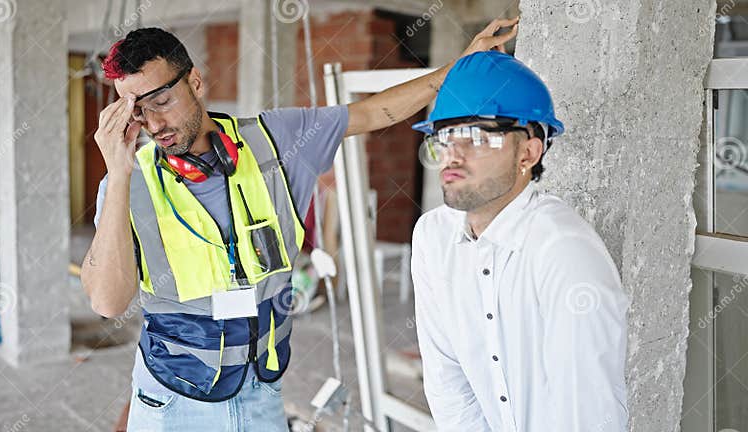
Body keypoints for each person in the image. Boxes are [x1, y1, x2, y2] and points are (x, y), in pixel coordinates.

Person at [81, 20, 518, 431]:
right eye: (138, 112)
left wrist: (461, 67)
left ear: (195, 82)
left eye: (162, 102)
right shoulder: (128, 184)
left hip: (261, 392)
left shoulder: (278, 141)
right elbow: (107, 302)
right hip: (173, 400)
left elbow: (374, 113)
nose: (155, 124)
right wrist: (118, 174)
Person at [410, 51, 629, 431]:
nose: (452, 156)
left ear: (528, 152)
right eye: (445, 136)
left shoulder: (564, 251)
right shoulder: (433, 237)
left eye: (476, 137)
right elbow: (448, 382)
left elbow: (587, 413)